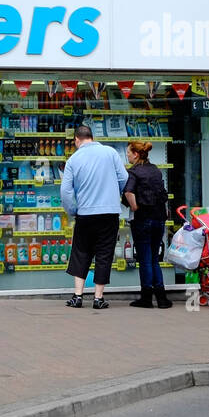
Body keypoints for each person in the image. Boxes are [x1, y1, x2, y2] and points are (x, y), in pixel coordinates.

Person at [60, 124, 128, 309]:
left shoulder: (73, 159)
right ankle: (98, 298)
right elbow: (124, 178)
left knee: (81, 252)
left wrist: (73, 210)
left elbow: (65, 191)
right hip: (109, 213)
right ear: (92, 136)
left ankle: (78, 296)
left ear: (76, 140)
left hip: (86, 213)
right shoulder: (110, 152)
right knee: (104, 254)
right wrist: (115, 195)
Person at [124, 141, 170, 309]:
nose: (127, 155)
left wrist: (135, 207)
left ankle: (146, 297)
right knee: (154, 259)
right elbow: (163, 194)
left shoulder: (134, 172)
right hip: (158, 219)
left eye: (128, 152)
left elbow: (128, 192)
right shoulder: (155, 170)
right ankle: (162, 298)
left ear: (136, 154)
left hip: (143, 220)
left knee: (145, 260)